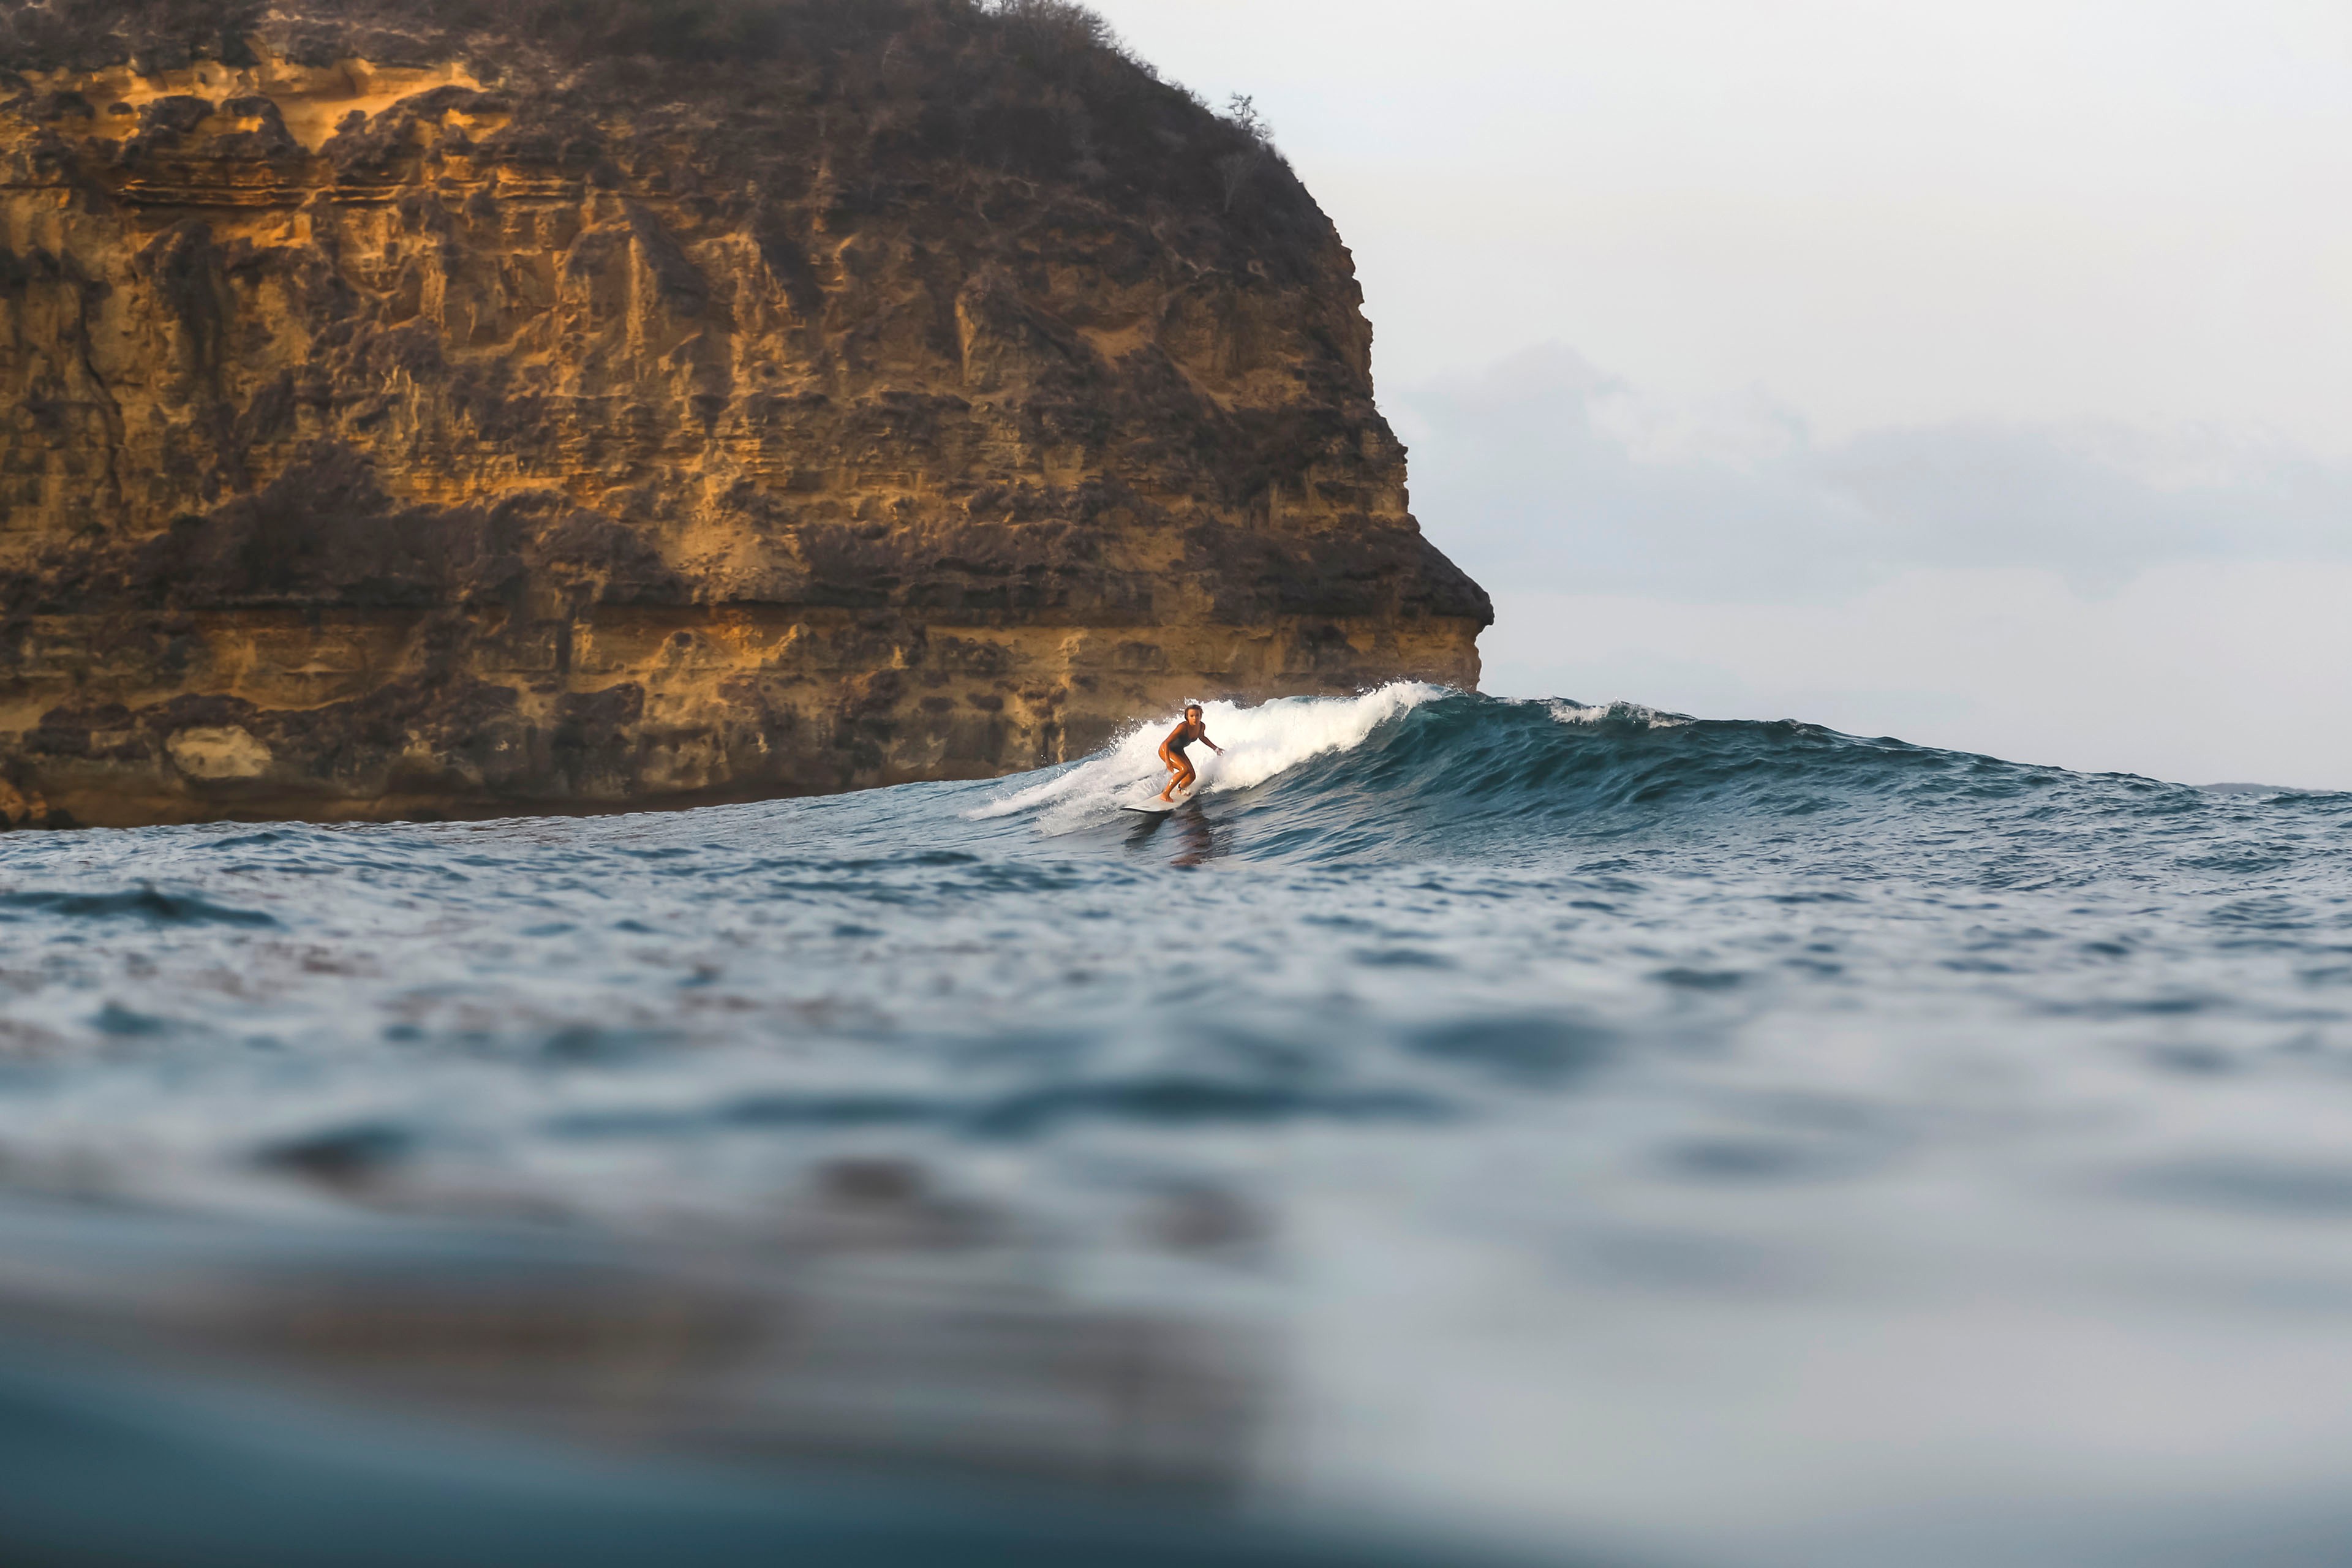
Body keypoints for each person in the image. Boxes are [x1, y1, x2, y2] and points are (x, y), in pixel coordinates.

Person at [1156, 703, 1223, 803]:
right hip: (1166, 750)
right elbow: (1166, 743)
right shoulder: (1183, 727)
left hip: (1179, 750)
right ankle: (1165, 794)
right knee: (1184, 769)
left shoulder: (1201, 726)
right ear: (1187, 717)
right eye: (1192, 716)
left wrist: (1216, 749)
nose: (1195, 718)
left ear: (1201, 716)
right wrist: (1167, 761)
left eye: (1197, 715)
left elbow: (1202, 738)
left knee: (1192, 776)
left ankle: (1180, 789)